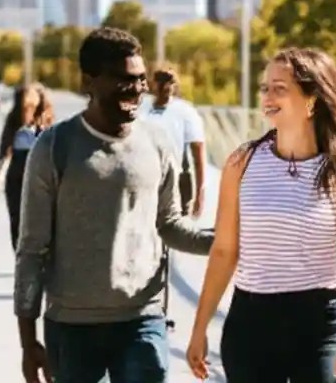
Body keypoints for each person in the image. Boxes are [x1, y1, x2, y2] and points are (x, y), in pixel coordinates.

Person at [15, 27, 214, 383]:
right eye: (123, 80)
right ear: (89, 82)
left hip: (142, 319)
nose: (136, 89)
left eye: (140, 80)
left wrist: (225, 243)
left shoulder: (158, 141)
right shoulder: (54, 147)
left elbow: (170, 224)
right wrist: (28, 343)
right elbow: (32, 249)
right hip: (72, 326)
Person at [186, 48, 336, 382]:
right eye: (264, 88)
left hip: (320, 324)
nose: (267, 97)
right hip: (252, 323)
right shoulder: (242, 163)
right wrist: (199, 328)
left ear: (312, 98)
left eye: (279, 88)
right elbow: (225, 251)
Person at [0, 83, 55, 250]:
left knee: (41, 222)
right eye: (24, 106)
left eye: (31, 106)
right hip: (16, 176)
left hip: (40, 177)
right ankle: (20, 257)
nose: (27, 110)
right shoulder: (14, 124)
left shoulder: (48, 127)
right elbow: (3, 153)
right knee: (17, 222)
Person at [145, 68, 207, 218]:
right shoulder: (141, 108)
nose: (166, 87)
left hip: (175, 179)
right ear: (153, 84)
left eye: (170, 83)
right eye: (161, 83)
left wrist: (200, 194)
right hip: (146, 176)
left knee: (174, 228)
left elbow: (198, 153)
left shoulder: (185, 112)